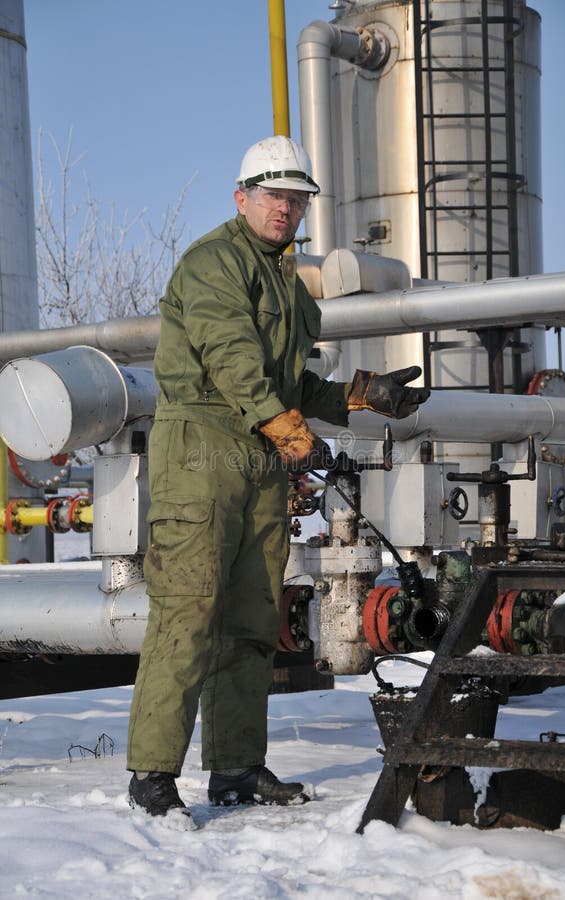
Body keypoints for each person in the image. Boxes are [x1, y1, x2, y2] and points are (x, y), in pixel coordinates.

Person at [126, 135, 429, 825]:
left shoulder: (287, 285)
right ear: (243, 198)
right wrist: (291, 432)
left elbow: (290, 384)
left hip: (260, 461)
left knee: (252, 620)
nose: (285, 210)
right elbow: (234, 361)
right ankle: (152, 775)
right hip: (202, 453)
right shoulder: (212, 265)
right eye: (274, 196)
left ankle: (235, 768)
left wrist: (361, 392)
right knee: (189, 611)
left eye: (296, 199)